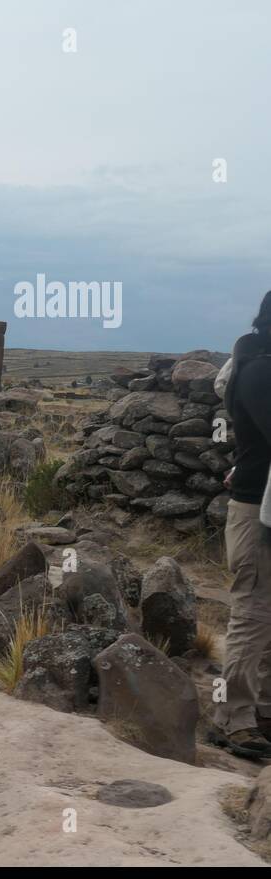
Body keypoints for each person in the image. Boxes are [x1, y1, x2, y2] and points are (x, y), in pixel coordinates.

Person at [210, 292, 271, 759]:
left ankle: (261, 708)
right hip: (256, 509)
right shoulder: (260, 372)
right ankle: (233, 717)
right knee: (252, 610)